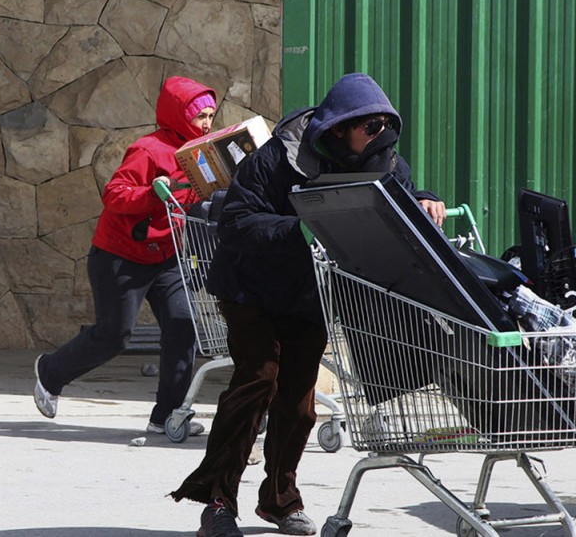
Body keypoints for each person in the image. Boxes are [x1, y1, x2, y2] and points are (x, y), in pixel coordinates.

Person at [170, 73, 445, 537]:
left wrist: (425, 197)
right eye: (370, 125)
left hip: (311, 293)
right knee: (257, 381)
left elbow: (402, 192)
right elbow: (235, 221)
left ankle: (279, 501)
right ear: (340, 127)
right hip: (249, 288)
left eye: (384, 124)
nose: (380, 133)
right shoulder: (278, 157)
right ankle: (217, 501)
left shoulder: (381, 158)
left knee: (298, 403)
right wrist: (293, 229)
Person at [33, 75, 215, 435]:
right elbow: (115, 194)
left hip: (167, 256)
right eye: (199, 117)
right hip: (121, 255)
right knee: (114, 336)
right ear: (179, 116)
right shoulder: (148, 150)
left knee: (183, 327)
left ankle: (168, 415)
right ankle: (50, 372)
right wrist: (151, 193)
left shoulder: (204, 151)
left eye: (211, 115)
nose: (207, 123)